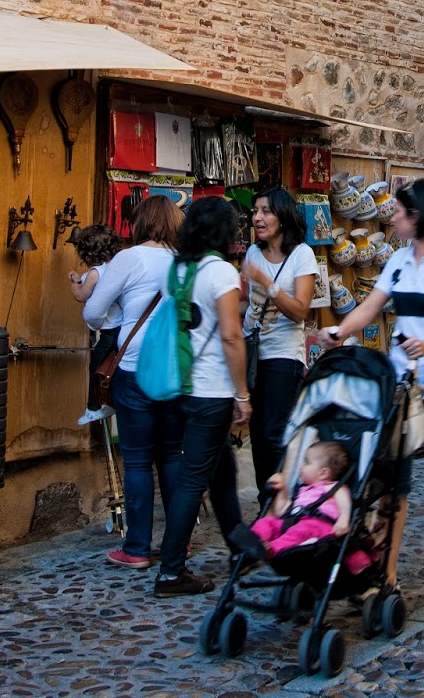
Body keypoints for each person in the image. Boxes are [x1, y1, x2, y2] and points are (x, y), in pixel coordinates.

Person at [320, 177, 424, 591]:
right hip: (404, 381)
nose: (392, 218)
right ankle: (386, 570)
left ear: (418, 217)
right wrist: (339, 332)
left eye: (398, 212)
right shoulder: (398, 260)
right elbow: (370, 307)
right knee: (393, 475)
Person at [154, 198, 251, 596]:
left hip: (181, 385)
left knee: (221, 471)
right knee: (195, 479)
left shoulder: (178, 270)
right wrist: (242, 393)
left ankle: (239, 548)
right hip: (212, 388)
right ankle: (171, 570)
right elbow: (231, 336)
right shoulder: (221, 275)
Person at [83, 197, 184, 569]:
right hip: (175, 368)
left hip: (136, 366)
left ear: (141, 222)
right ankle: (177, 544)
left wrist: (118, 315)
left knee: (138, 460)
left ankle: (138, 547)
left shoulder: (129, 258)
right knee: (172, 457)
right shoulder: (184, 261)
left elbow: (94, 311)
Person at [239, 187, 319, 488]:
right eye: (256, 211)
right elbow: (246, 304)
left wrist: (267, 283)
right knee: (257, 433)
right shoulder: (252, 253)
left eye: (265, 211)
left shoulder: (302, 255)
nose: (257, 218)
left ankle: (280, 502)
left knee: (275, 432)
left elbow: (299, 311)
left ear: (282, 218)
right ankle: (265, 503)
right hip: (252, 352)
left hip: (284, 355)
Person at [247, 441, 354, 555]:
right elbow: (282, 511)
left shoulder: (334, 488)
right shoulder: (303, 490)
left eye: (306, 462)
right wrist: (282, 491)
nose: (301, 465)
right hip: (294, 522)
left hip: (318, 526)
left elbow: (345, 504)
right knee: (267, 521)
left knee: (298, 531)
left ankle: (272, 549)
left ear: (323, 473)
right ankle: (255, 541)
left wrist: (344, 519)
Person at [68, 224, 124, 426]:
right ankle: (111, 402)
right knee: (115, 369)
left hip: (109, 333)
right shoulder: (117, 268)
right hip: (124, 331)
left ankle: (94, 408)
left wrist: (74, 283)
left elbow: (81, 295)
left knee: (95, 367)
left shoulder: (94, 273)